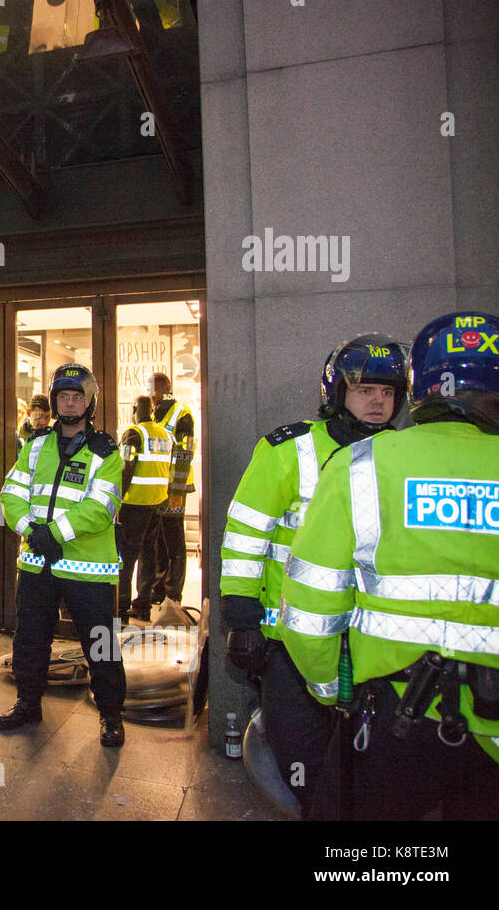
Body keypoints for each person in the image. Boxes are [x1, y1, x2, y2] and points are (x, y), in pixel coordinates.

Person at [279, 312, 499, 819]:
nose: (377, 401)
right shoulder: (299, 448)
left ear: (418, 389)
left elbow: (311, 612)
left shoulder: (364, 463)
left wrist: (334, 690)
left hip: (393, 721)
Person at [222, 334, 408, 816]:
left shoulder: (405, 457)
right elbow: (245, 537)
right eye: (364, 389)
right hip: (289, 639)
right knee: (301, 754)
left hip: (377, 642)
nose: (376, 401)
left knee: (373, 764)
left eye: (387, 393)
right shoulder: (289, 448)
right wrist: (241, 620)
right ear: (335, 393)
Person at [0, 364, 126, 746]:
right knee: (30, 640)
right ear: (54, 402)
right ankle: (27, 704)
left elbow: (102, 505)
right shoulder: (35, 447)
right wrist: (31, 531)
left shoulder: (107, 452)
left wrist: (53, 533)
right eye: (63, 397)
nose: (69, 404)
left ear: (90, 403)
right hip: (38, 564)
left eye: (77, 397)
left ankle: (110, 715)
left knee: (100, 644)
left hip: (89, 570)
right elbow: (11, 493)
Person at [116, 395, 171, 621]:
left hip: (134, 502)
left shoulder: (134, 434)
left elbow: (127, 466)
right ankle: (143, 604)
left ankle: (121, 604)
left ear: (136, 409)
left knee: (126, 556)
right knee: (149, 554)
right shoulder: (165, 434)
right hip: (157, 502)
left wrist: (116, 497)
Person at [147, 372, 195, 606]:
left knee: (175, 541)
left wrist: (176, 490)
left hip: (175, 489)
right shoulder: (155, 416)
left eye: (154, 388)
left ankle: (173, 593)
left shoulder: (181, 414)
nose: (151, 393)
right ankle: (158, 590)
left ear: (166, 387)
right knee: (158, 541)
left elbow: (185, 453)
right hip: (158, 489)